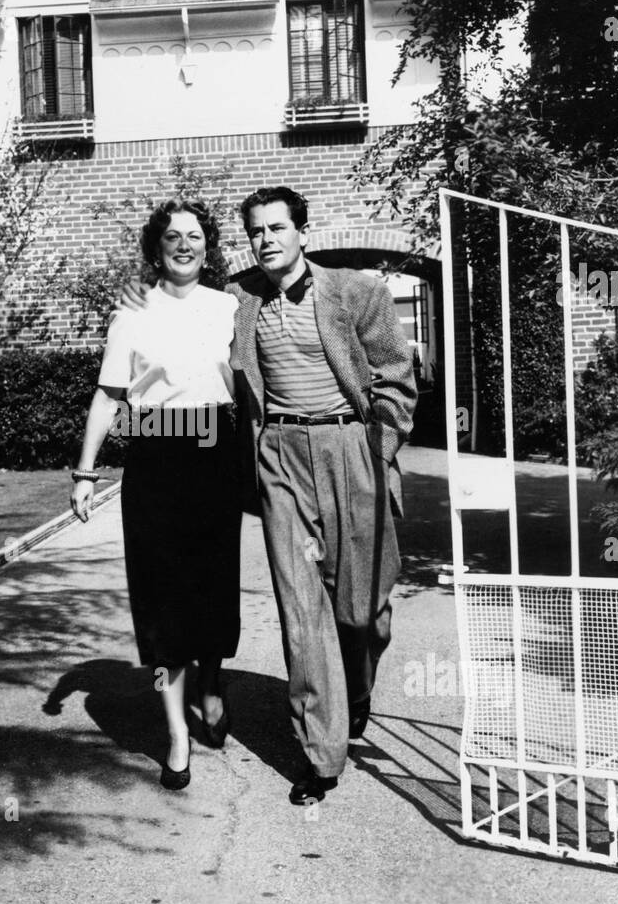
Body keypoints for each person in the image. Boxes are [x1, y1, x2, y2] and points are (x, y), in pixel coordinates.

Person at [122, 186, 417, 804]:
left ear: (302, 232)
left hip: (352, 450)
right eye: (256, 231)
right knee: (301, 611)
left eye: (278, 228)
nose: (267, 240)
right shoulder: (241, 298)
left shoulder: (358, 292)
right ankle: (320, 754)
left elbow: (396, 378)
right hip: (280, 456)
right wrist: (138, 293)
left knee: (362, 612)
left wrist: (379, 448)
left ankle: (356, 689)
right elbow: (179, 299)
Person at [70, 198, 241, 790]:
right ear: (156, 247)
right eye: (173, 236)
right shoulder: (133, 311)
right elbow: (109, 395)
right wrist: (85, 472)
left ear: (208, 248)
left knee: (212, 586)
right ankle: (176, 734)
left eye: (195, 236)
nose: (185, 245)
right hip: (155, 457)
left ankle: (211, 682)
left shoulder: (229, 306)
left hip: (216, 454)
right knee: (161, 597)